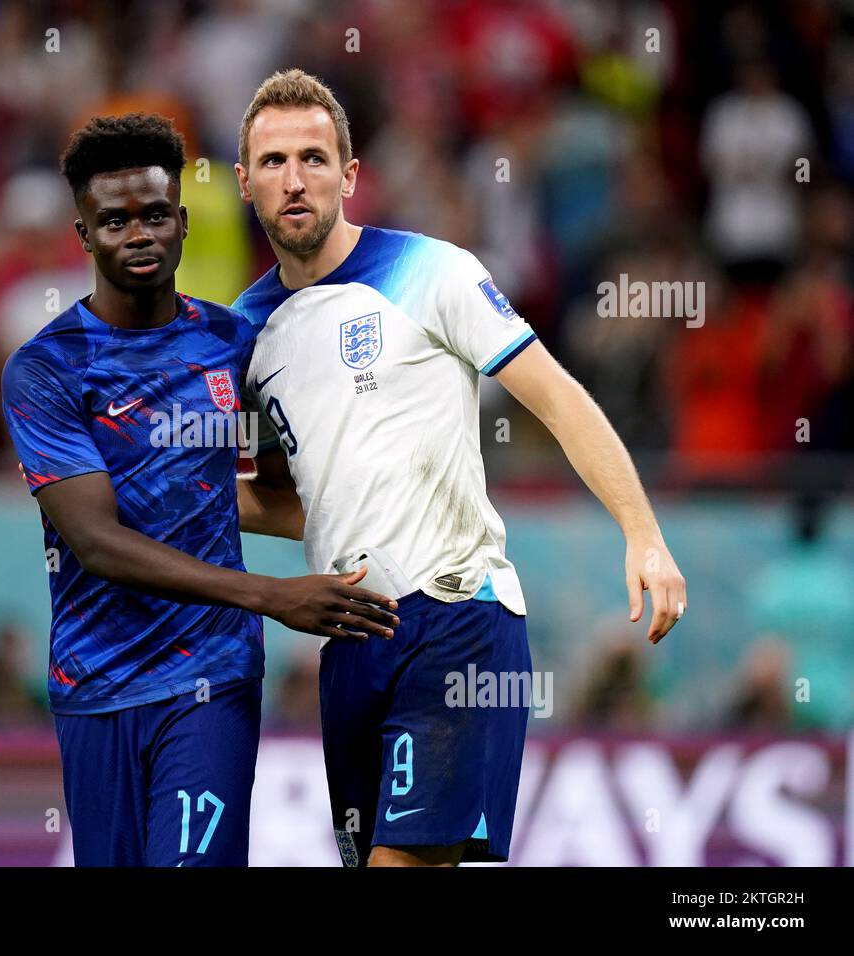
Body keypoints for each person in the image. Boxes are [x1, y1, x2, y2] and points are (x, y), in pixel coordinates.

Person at [231, 70, 687, 867]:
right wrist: (144, 498)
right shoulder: (247, 335)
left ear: (350, 174)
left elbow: (559, 398)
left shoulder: (431, 272)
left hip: (455, 617)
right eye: (273, 162)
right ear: (244, 182)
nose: (294, 179)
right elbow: (289, 500)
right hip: (350, 640)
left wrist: (642, 533)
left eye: (313, 157)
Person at [1, 113, 397, 867]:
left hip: (210, 678)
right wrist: (271, 595)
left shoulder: (238, 344)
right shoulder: (47, 370)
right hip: (97, 680)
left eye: (155, 215)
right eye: (113, 220)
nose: (138, 234)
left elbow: (284, 487)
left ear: (182, 222)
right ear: (83, 234)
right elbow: (96, 542)